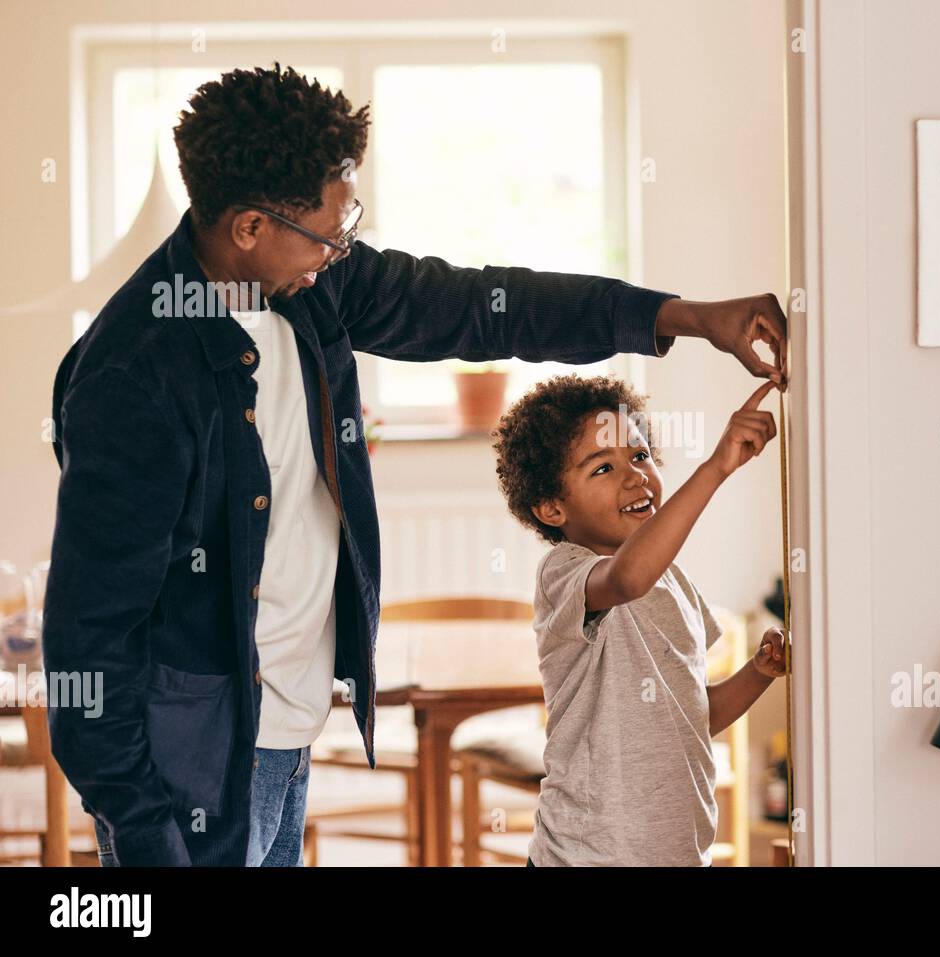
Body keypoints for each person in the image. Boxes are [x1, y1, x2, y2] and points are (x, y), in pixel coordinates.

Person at [43, 62, 788, 867]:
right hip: (195, 768)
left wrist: (680, 315)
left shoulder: (308, 283)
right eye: (329, 234)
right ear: (250, 227)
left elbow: (481, 304)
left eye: (349, 221)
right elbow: (87, 645)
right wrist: (148, 838)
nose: (343, 250)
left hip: (287, 734)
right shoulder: (132, 375)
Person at [490, 374, 788, 865]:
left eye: (641, 455)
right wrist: (716, 467)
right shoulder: (565, 574)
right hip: (586, 855)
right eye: (603, 468)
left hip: (676, 853)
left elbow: (694, 714)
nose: (635, 476)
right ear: (551, 508)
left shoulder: (674, 582)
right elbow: (627, 578)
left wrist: (759, 671)